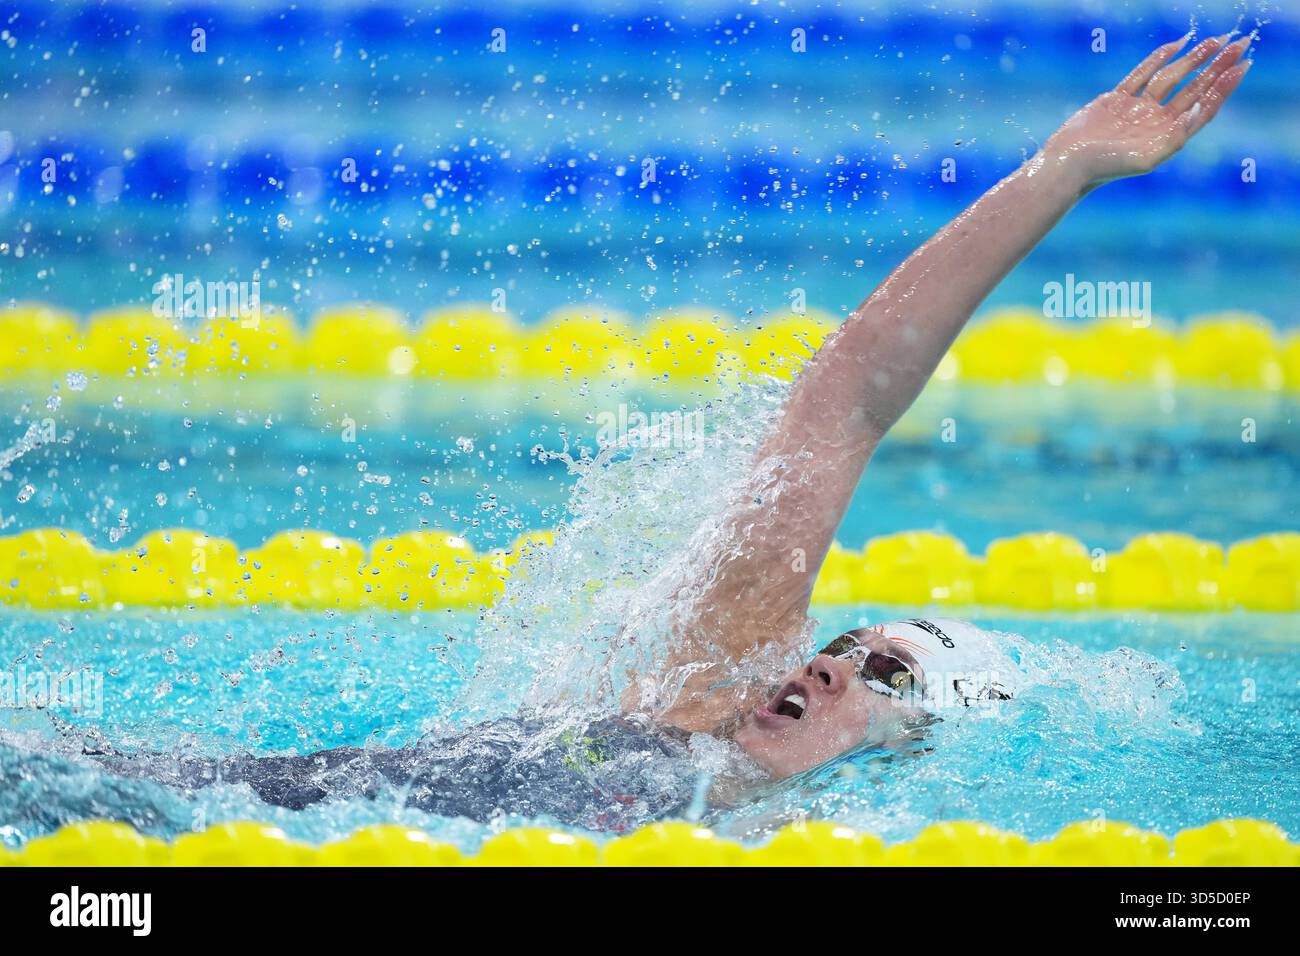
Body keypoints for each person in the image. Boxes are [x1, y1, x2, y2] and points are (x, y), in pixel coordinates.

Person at [32, 35, 1248, 829]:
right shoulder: (699, 692)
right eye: (844, 642)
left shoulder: (758, 826)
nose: (824, 662)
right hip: (174, 804)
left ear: (910, 743)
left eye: (881, 674)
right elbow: (846, 399)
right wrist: (1056, 172)